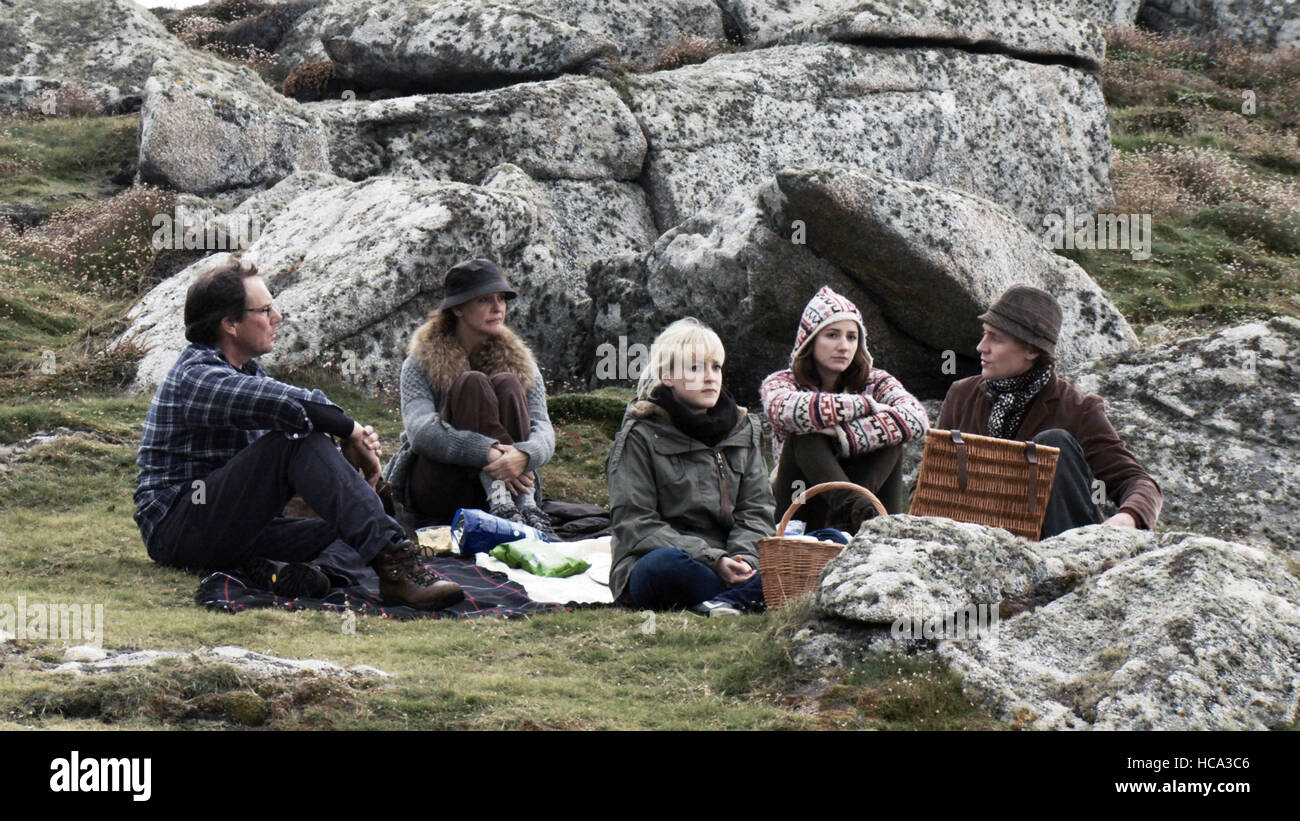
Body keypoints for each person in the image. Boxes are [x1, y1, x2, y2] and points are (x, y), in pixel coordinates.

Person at [134, 255, 463, 609]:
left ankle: (307, 574)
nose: (277, 318)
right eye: (265, 310)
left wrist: (343, 458)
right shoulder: (196, 375)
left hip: (235, 526)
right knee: (295, 439)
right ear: (230, 323)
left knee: (354, 526)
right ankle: (397, 567)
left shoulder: (247, 372)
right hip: (182, 521)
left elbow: (294, 446)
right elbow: (291, 406)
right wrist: (350, 430)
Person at [937, 284, 1163, 537]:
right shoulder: (961, 395)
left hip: (1060, 545)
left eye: (995, 338)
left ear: (1032, 350)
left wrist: (1127, 518)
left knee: (1053, 442)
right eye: (984, 334)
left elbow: (1140, 483)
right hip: (979, 544)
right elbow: (927, 481)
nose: (981, 347)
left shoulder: (1079, 410)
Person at [606, 318, 775, 618]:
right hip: (670, 561)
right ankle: (747, 597)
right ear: (667, 376)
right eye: (695, 368)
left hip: (732, 562)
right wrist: (714, 560)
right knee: (663, 567)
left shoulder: (743, 429)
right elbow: (636, 525)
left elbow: (757, 510)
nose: (710, 378)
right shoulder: (640, 434)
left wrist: (743, 558)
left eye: (716, 367)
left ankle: (725, 601)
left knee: (825, 540)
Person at [384, 258, 557, 537]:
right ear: (457, 308)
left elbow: (544, 429)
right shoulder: (420, 362)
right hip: (440, 488)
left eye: (501, 298)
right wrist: (488, 452)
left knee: (508, 383)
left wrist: (524, 456)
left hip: (510, 490)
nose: (498, 307)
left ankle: (512, 504)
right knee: (472, 383)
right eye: (484, 300)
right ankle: (505, 502)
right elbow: (420, 432)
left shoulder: (522, 363)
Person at [760, 285, 930, 533]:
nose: (844, 346)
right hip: (802, 503)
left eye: (851, 337)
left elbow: (916, 419)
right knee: (808, 434)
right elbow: (787, 409)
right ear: (810, 340)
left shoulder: (876, 381)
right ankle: (859, 511)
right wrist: (869, 407)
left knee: (892, 440)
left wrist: (843, 434)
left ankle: (855, 512)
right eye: (832, 335)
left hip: (865, 492)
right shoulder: (782, 382)